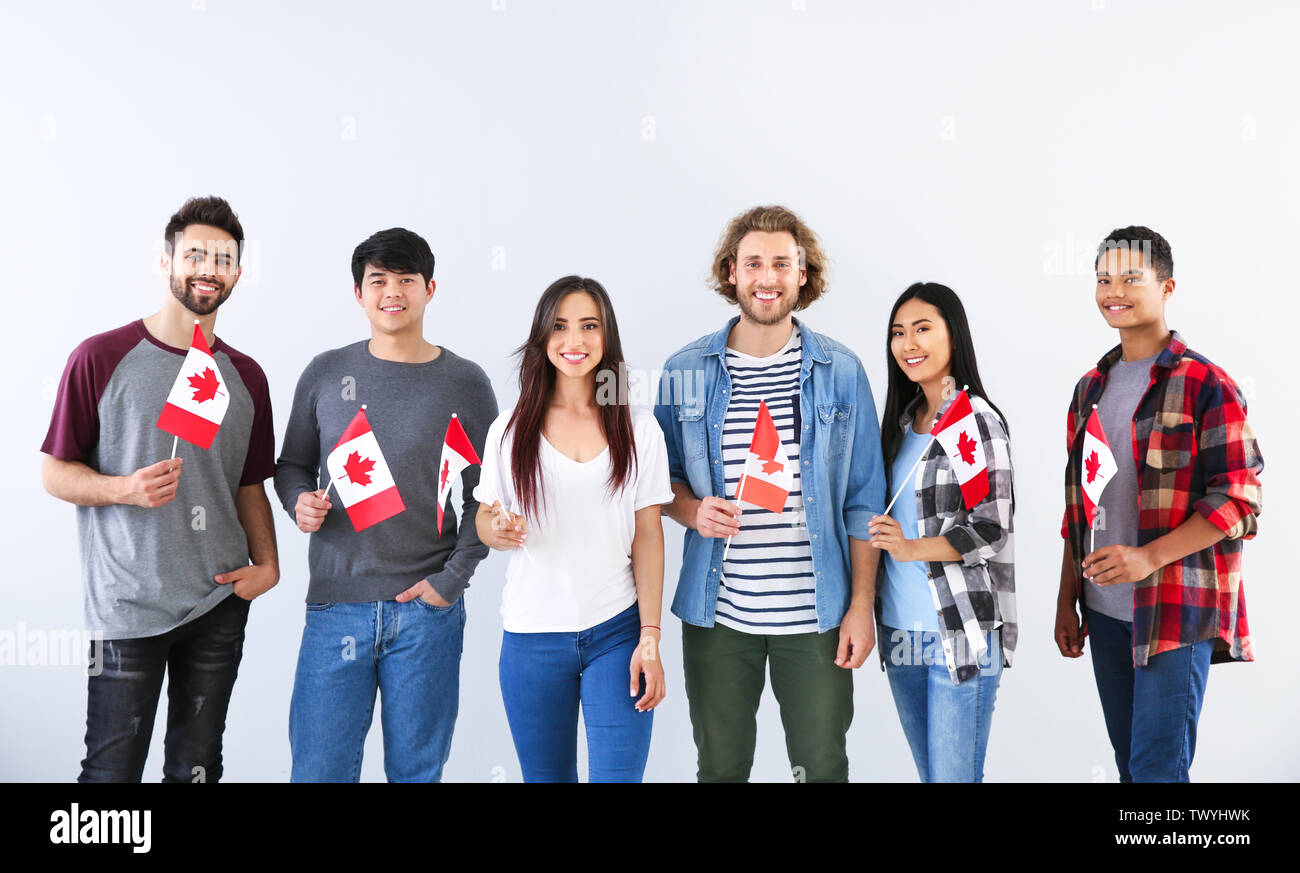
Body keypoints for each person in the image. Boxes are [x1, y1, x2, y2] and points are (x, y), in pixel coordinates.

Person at [40, 196, 277, 782]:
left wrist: (268, 564)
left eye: (222, 259)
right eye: (194, 253)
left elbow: (249, 484)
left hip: (217, 601)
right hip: (127, 607)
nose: (207, 268)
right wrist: (125, 489)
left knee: (197, 769)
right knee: (110, 773)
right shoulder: (100, 356)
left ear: (237, 274)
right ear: (167, 261)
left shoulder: (245, 376)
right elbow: (54, 472)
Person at [653, 205, 885, 782]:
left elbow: (864, 501)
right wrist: (693, 511)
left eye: (782, 263)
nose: (767, 276)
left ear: (802, 274)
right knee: (722, 769)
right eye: (753, 262)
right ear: (731, 272)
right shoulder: (685, 369)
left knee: (822, 768)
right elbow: (657, 484)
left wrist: (860, 607)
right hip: (719, 615)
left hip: (817, 616)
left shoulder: (841, 371)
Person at [274, 227, 497, 782]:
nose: (392, 292)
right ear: (359, 293)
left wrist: (452, 581)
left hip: (426, 611)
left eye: (406, 280)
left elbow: (488, 495)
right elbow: (292, 465)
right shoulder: (325, 372)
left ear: (430, 289)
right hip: (335, 607)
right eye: (379, 280)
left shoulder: (467, 383)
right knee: (319, 771)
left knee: (417, 774)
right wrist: (299, 501)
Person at [1055, 226, 1264, 782]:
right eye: (1102, 279)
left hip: (1175, 613)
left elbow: (1240, 501)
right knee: (1132, 770)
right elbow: (1078, 507)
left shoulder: (1206, 383)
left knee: (1158, 775)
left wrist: (1149, 557)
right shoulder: (1088, 389)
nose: (1112, 290)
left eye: (1130, 277)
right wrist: (1066, 599)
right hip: (1104, 612)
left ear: (1167, 287)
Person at [475, 275, 671, 783]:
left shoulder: (639, 426)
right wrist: (495, 528)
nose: (575, 341)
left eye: (590, 326)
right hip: (531, 638)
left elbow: (649, 534)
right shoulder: (509, 428)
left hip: (617, 634)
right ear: (543, 336)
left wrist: (650, 636)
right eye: (560, 327)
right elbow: (483, 516)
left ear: (607, 337)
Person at [867, 282, 1016, 783]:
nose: (908, 344)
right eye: (898, 333)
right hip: (899, 631)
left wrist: (910, 548)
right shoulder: (901, 423)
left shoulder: (975, 422)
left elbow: (991, 527)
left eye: (923, 329)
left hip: (959, 632)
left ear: (954, 335)